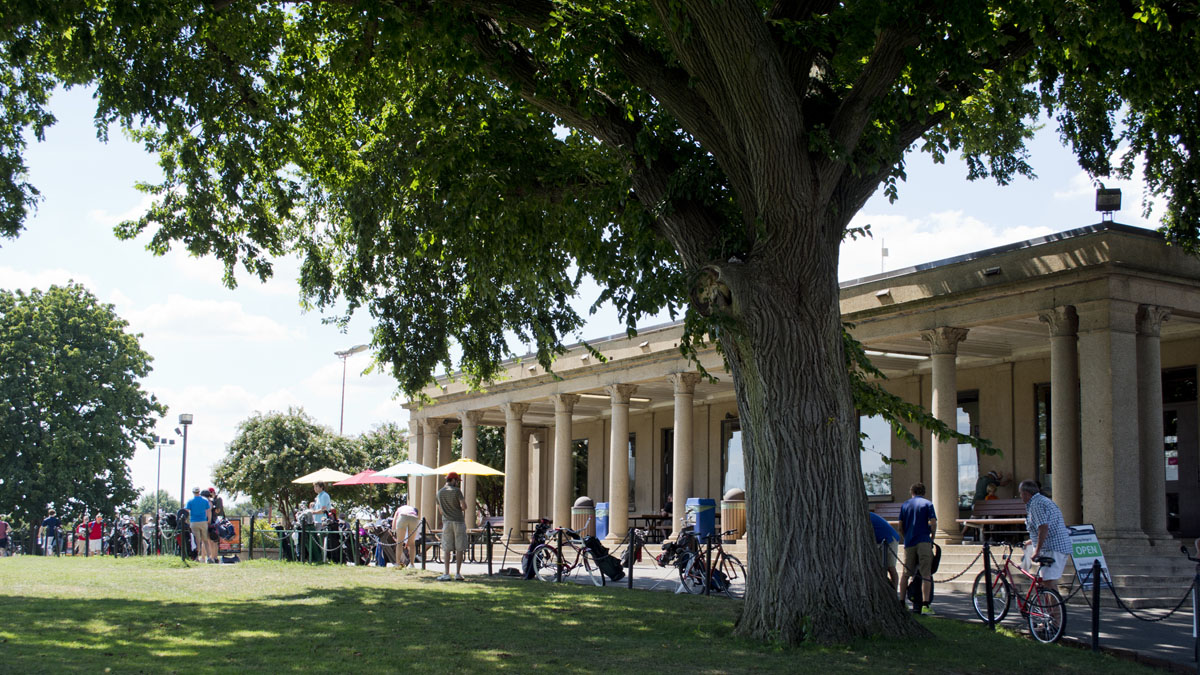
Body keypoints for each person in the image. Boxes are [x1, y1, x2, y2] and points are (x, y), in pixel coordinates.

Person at [1019, 479, 1071, 592]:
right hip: (1057, 545)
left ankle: (1055, 610)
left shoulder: (1036, 504)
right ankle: (1050, 609)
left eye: (1020, 493)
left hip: (1052, 547)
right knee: (1046, 581)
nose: (1020, 496)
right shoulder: (1043, 500)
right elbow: (1047, 527)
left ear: (1025, 493)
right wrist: (1031, 541)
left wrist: (1036, 550)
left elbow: (1043, 527)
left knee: (1049, 582)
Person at [898, 482, 937, 615]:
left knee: (906, 573)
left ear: (912, 492)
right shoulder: (928, 504)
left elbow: (900, 526)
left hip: (909, 542)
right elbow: (933, 522)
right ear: (923, 492)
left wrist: (906, 536)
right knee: (926, 573)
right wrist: (933, 536)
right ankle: (926, 604)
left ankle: (902, 602)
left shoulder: (905, 505)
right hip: (924, 541)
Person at [436, 472, 468, 581]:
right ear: (453, 480)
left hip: (447, 522)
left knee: (447, 548)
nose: (457, 483)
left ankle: (446, 573)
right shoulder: (457, 491)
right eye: (457, 481)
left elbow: (440, 510)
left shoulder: (439, 493)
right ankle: (458, 573)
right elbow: (464, 506)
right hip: (458, 521)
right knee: (460, 548)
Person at [869, 511, 901, 591]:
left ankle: (894, 591)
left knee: (890, 567)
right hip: (880, 542)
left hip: (890, 539)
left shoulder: (866, 517)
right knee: (880, 568)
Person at [186, 487, 214, 563]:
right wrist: (209, 520)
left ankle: (196, 557)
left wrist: (187, 521)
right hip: (203, 522)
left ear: (193, 492)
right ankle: (209, 557)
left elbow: (186, 512)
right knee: (205, 540)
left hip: (194, 522)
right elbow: (208, 511)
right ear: (199, 492)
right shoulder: (205, 501)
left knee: (197, 541)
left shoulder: (190, 501)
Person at [392, 502, 419, 567]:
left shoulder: (399, 509)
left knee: (399, 543)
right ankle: (412, 564)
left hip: (402, 517)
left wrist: (393, 531)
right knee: (412, 544)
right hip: (414, 518)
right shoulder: (412, 509)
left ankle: (397, 563)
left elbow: (394, 520)